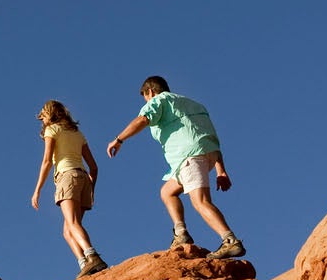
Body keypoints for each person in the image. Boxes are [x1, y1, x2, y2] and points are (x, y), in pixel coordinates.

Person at [105, 76, 246, 260]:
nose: (147, 101)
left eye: (146, 98)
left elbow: (143, 119)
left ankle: (229, 240)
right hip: (205, 155)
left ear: (150, 92)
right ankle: (181, 234)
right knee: (167, 192)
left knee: (200, 201)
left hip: (188, 156)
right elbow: (209, 137)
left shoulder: (159, 100)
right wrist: (220, 170)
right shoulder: (194, 104)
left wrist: (119, 139)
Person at [31, 100, 107, 276]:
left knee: (72, 224)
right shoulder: (77, 134)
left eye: (43, 116)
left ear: (49, 115)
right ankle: (85, 265)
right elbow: (94, 168)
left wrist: (37, 191)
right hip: (83, 178)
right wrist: (90, 189)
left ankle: (92, 255)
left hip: (67, 177)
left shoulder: (52, 130)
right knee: (67, 230)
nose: (42, 120)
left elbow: (47, 161)